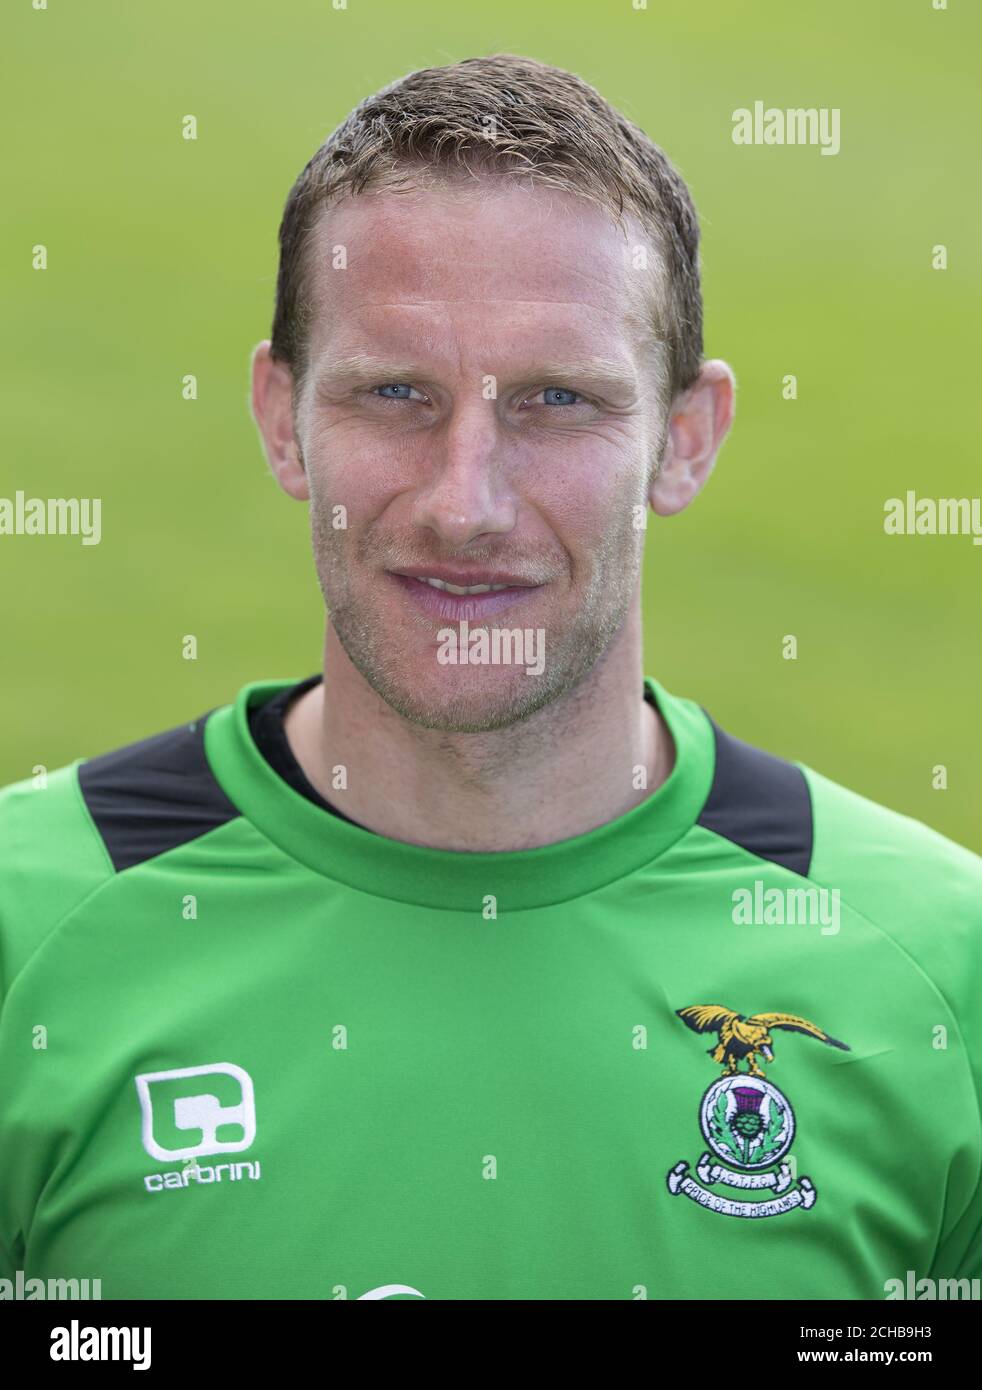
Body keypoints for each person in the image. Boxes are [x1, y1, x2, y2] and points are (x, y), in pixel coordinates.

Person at [1, 54, 979, 1302]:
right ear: (279, 415)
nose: (466, 504)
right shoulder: (25, 932)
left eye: (557, 401)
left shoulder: (941, 969)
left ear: (684, 441)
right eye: (395, 392)